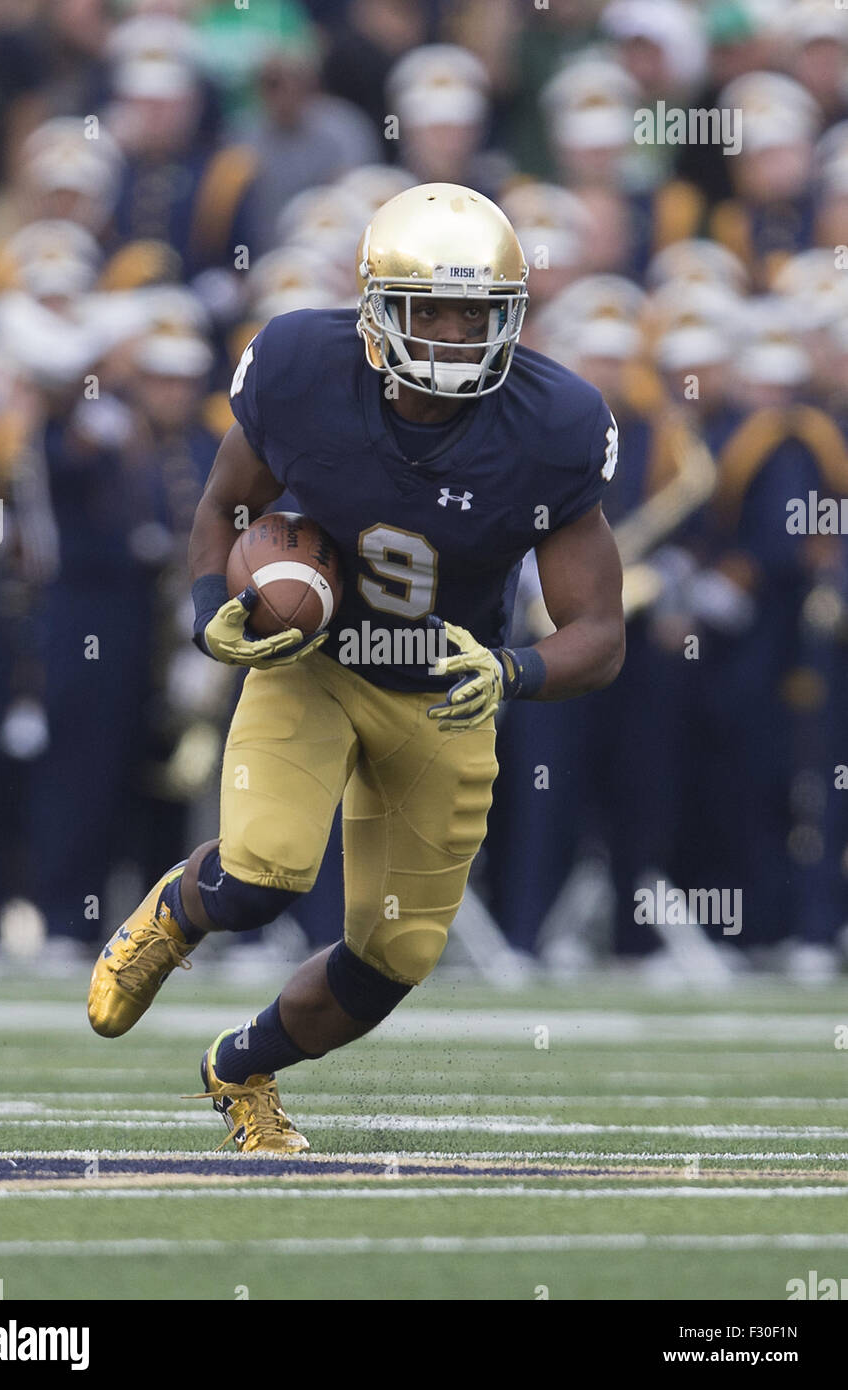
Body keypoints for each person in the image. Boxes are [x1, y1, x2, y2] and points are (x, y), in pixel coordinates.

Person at [87, 183, 626, 1153]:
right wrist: (214, 610)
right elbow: (223, 507)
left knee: (394, 957)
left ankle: (241, 1068)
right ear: (377, 310)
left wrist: (512, 670)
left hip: (447, 689)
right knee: (262, 876)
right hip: (317, 663)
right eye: (434, 311)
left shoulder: (554, 424)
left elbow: (599, 632)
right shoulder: (300, 366)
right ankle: (175, 912)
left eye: (478, 314)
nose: (457, 334)